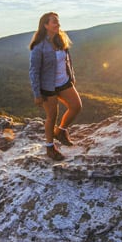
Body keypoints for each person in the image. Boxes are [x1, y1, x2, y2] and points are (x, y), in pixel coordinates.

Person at [29, 12, 83, 160]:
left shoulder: (60, 39)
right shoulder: (39, 47)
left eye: (58, 21)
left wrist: (71, 77)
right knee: (51, 117)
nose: (58, 24)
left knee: (76, 106)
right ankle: (49, 147)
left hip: (64, 82)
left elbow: (67, 60)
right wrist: (37, 94)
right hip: (48, 87)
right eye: (54, 22)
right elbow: (34, 71)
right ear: (46, 25)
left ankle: (61, 131)